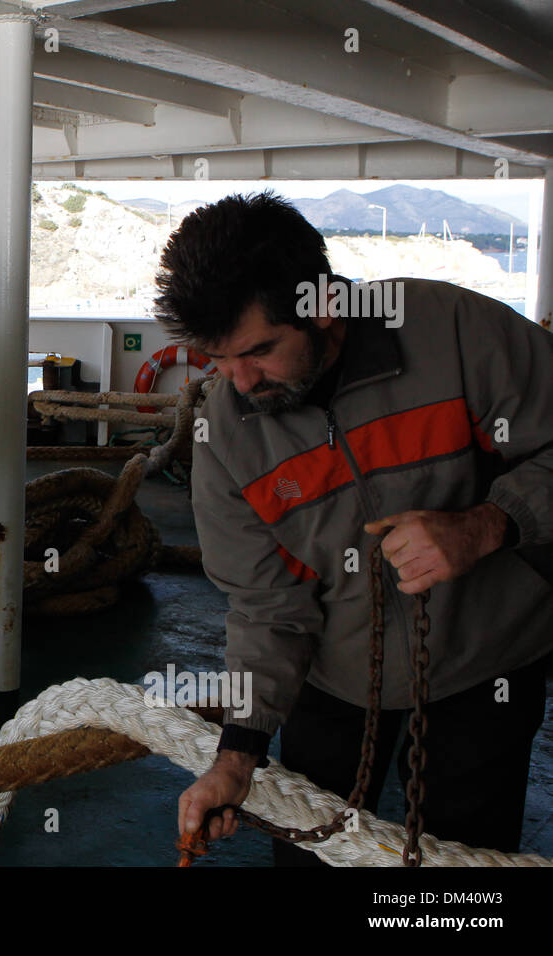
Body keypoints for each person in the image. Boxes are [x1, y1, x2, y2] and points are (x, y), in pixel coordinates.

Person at [160, 193, 553, 864]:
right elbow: (265, 607)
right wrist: (239, 752)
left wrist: (490, 524)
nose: (238, 381)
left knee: (466, 861)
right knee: (313, 854)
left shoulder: (454, 332)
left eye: (258, 352)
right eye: (214, 357)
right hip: (333, 678)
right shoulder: (227, 432)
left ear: (323, 306)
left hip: (488, 663)